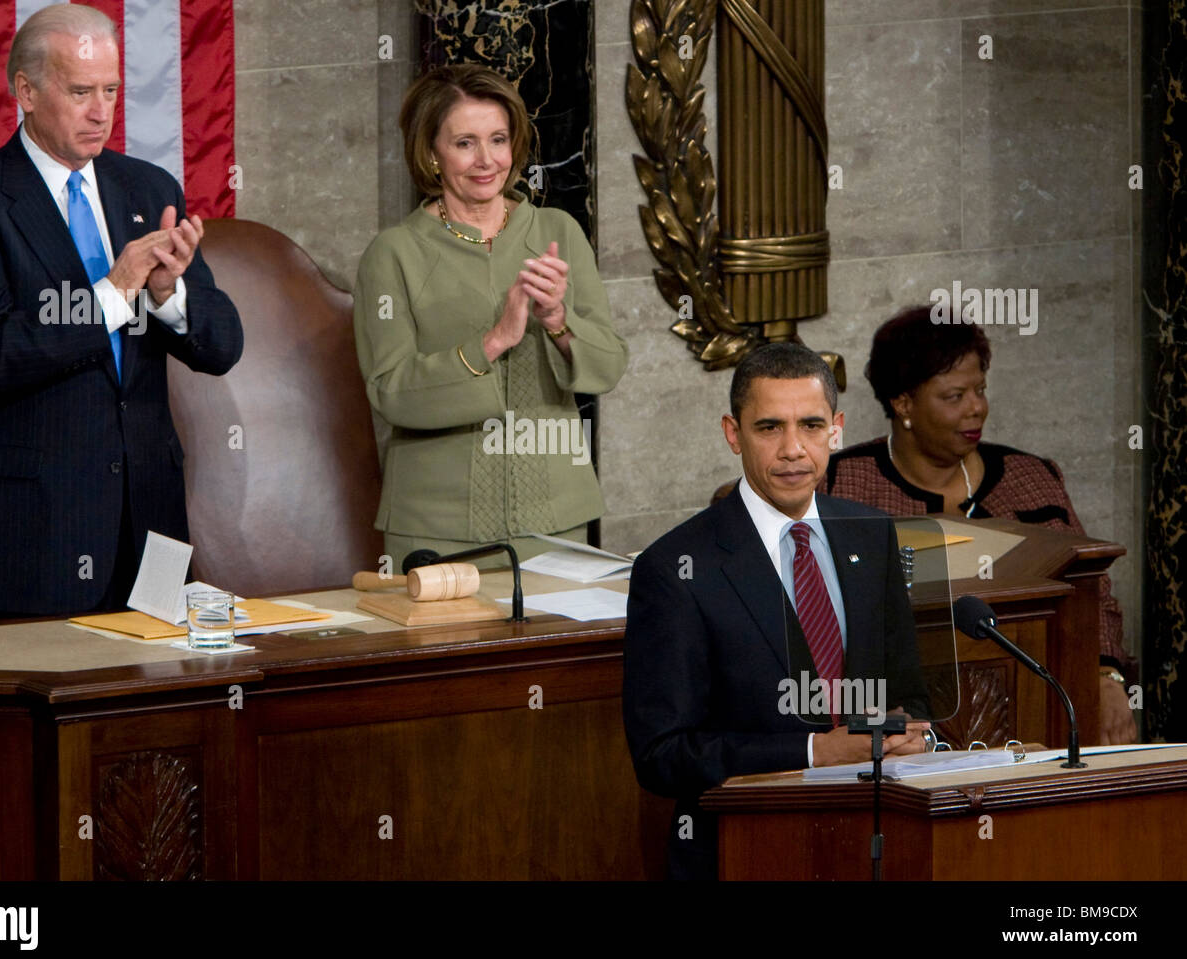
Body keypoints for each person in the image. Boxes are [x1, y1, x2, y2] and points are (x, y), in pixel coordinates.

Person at [0, 4, 243, 620]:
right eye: (80, 92)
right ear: (26, 92)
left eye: (111, 91)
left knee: (161, 712)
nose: (101, 112)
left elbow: (222, 345)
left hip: (151, 530)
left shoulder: (150, 190)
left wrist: (166, 295)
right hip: (30, 541)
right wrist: (115, 289)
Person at [622, 343, 930, 880]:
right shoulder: (675, 567)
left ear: (835, 429)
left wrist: (908, 732)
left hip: (875, 838)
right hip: (747, 851)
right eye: (769, 428)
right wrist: (814, 750)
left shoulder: (872, 533)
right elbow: (663, 756)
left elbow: (907, 690)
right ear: (732, 433)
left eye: (811, 425)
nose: (794, 449)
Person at [353, 64, 628, 571]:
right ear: (430, 152)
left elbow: (608, 366)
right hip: (435, 529)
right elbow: (391, 392)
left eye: (498, 139)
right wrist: (494, 341)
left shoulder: (558, 231)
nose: (487, 161)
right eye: (465, 143)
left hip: (557, 520)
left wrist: (559, 322)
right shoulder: (392, 254)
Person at [824, 305, 1135, 744]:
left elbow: (1091, 590)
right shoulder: (841, 483)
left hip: (1035, 707)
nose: (977, 409)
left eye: (980, 390)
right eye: (954, 396)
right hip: (896, 721)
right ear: (903, 402)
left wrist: (1107, 677)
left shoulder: (1032, 478)